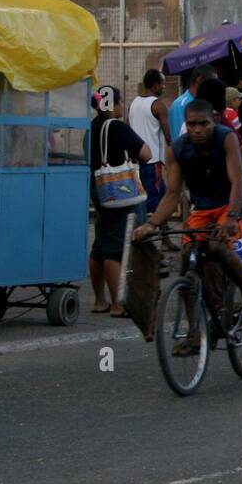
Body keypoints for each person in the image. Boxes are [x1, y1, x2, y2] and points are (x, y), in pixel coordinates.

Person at [133, 99, 242, 342]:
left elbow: (236, 181)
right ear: (186, 125)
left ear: (213, 122)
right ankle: (194, 332)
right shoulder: (178, 149)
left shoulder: (227, 139)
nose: (197, 129)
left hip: (233, 201)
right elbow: (172, 194)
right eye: (192, 124)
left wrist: (232, 217)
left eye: (203, 124)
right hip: (202, 207)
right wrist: (151, 225)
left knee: (217, 246)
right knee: (187, 261)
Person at [88, 85, 152, 318]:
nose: (121, 106)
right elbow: (145, 154)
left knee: (100, 246)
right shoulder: (117, 127)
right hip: (120, 194)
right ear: (112, 105)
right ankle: (118, 304)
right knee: (115, 249)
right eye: (119, 102)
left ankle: (99, 300)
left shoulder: (91, 127)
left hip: (98, 191)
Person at [128, 70, 171, 218]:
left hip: (137, 162)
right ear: (154, 85)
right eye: (161, 83)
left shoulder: (133, 103)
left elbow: (129, 130)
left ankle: (160, 236)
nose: (163, 87)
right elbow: (168, 136)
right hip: (153, 162)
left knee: (147, 200)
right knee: (156, 202)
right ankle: (147, 237)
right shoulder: (158, 105)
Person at [168, 65, 216, 144]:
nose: (215, 86)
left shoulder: (206, 102)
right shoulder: (180, 105)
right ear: (199, 80)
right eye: (212, 82)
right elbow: (178, 139)